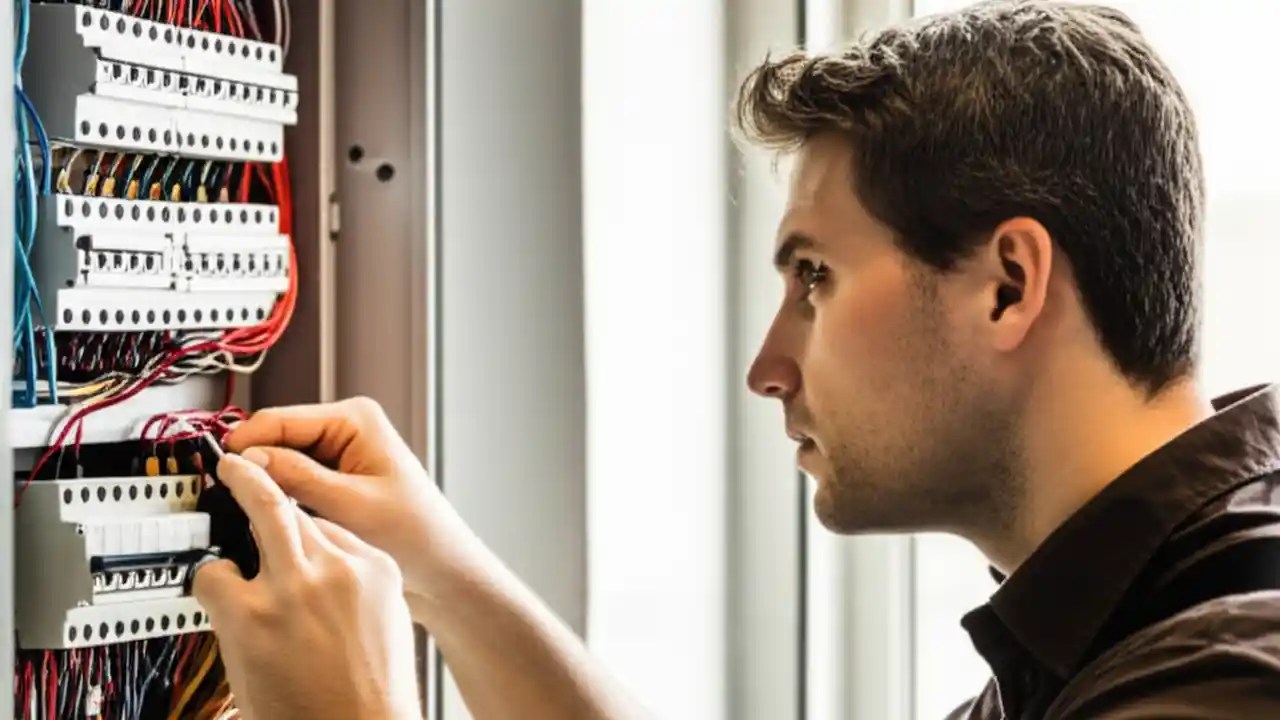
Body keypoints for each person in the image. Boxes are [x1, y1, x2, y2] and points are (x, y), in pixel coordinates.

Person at [193, 1, 1280, 718]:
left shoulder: (1221, 679)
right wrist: (443, 570)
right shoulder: (1122, 623)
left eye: (814, 279)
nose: (767, 366)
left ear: (1006, 284)